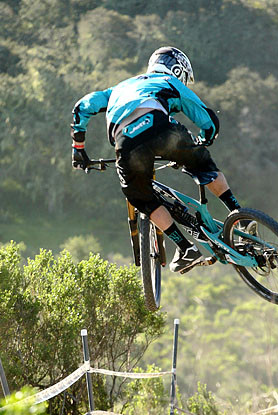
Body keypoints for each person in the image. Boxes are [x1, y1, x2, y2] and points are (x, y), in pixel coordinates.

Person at [70, 46, 244, 273]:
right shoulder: (168, 83)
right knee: (204, 166)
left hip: (128, 143)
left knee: (142, 197)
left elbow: (81, 107)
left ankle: (185, 249)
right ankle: (241, 216)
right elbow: (206, 118)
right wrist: (204, 140)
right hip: (163, 130)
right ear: (178, 70)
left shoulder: (118, 89)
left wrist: (79, 149)